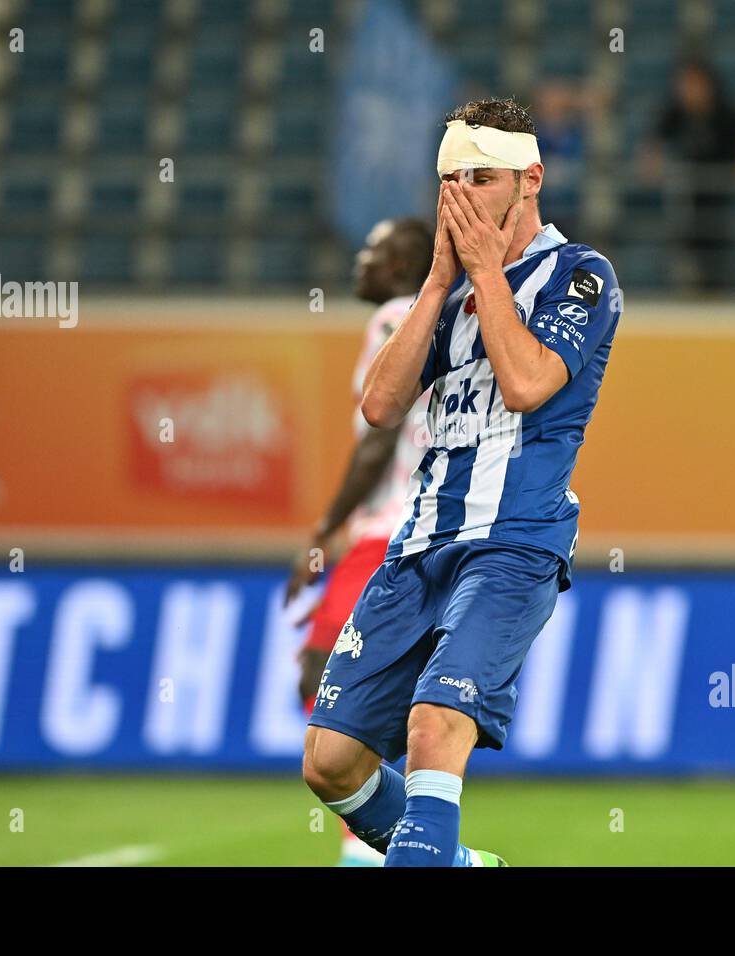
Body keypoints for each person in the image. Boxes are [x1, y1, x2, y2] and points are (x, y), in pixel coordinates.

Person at [301, 96, 622, 866]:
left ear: (530, 179)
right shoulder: (448, 295)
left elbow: (526, 382)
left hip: (512, 545)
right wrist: (443, 277)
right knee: (329, 760)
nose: (461, 194)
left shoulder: (581, 275)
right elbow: (379, 406)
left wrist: (485, 274)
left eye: (482, 176)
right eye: (451, 177)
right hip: (419, 545)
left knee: (433, 726)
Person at [284, 217, 434, 866]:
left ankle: (375, 846)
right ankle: (393, 837)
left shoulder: (398, 317)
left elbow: (378, 438)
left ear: (403, 267)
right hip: (413, 528)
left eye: (374, 251)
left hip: (391, 531)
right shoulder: (435, 316)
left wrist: (321, 532)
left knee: (323, 673)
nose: (360, 260)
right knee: (346, 681)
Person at [640, 61, 735, 290]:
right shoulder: (675, 111)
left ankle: (720, 286)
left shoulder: (726, 112)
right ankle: (690, 283)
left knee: (718, 241)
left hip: (721, 192)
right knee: (685, 238)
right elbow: (653, 141)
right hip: (690, 192)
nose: (688, 91)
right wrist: (651, 166)